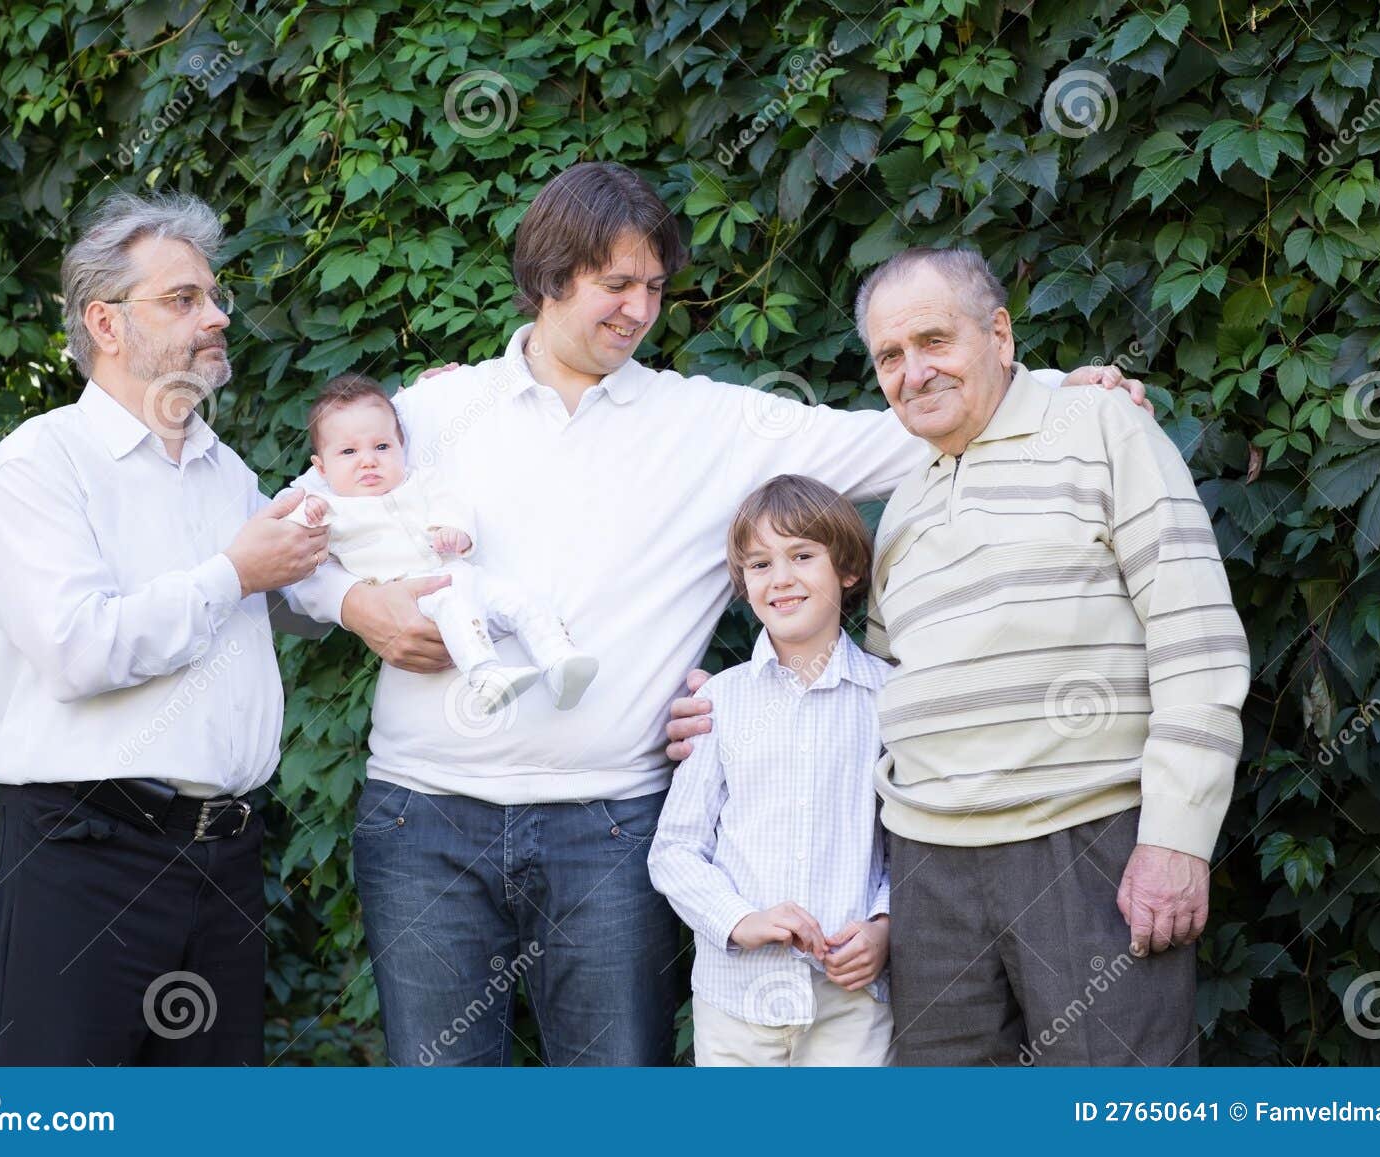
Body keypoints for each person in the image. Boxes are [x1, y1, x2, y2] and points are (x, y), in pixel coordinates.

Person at [322, 161, 1154, 1066]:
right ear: (550, 277)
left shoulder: (702, 421)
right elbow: (291, 541)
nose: (640, 309)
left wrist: (1061, 392)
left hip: (609, 823)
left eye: (654, 287)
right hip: (422, 816)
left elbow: (900, 431)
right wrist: (354, 601)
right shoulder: (436, 409)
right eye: (616, 284)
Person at [671, 246, 1249, 1066]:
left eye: (934, 340)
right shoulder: (902, 503)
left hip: (1083, 840)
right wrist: (729, 705)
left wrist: (1178, 837)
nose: (913, 372)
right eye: (890, 357)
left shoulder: (1100, 426)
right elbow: (862, 690)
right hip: (928, 870)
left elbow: (1196, 634)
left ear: (1000, 335)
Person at [0, 191, 354, 1065]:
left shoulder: (224, 468)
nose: (215, 317)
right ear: (105, 322)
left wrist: (414, 443)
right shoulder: (39, 463)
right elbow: (78, 649)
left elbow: (304, 585)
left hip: (224, 861)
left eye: (214, 297)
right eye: (183, 300)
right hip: (89, 856)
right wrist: (233, 573)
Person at [648, 475, 893, 1066]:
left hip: (851, 1004)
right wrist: (741, 920)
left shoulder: (888, 697)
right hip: (736, 1007)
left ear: (849, 570)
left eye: (802, 556)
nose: (780, 578)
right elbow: (674, 850)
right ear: (745, 584)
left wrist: (886, 927)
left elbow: (911, 843)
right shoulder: (722, 704)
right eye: (759, 564)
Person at [287, 372, 598, 717]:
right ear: (321, 467)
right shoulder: (330, 505)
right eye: (348, 451)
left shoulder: (420, 482)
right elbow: (289, 538)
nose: (368, 460)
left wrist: (456, 531)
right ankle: (486, 676)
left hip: (461, 574)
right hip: (414, 596)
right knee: (454, 607)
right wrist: (307, 512)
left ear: (400, 447)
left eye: (382, 447)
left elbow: (451, 505)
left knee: (518, 600)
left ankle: (558, 659)